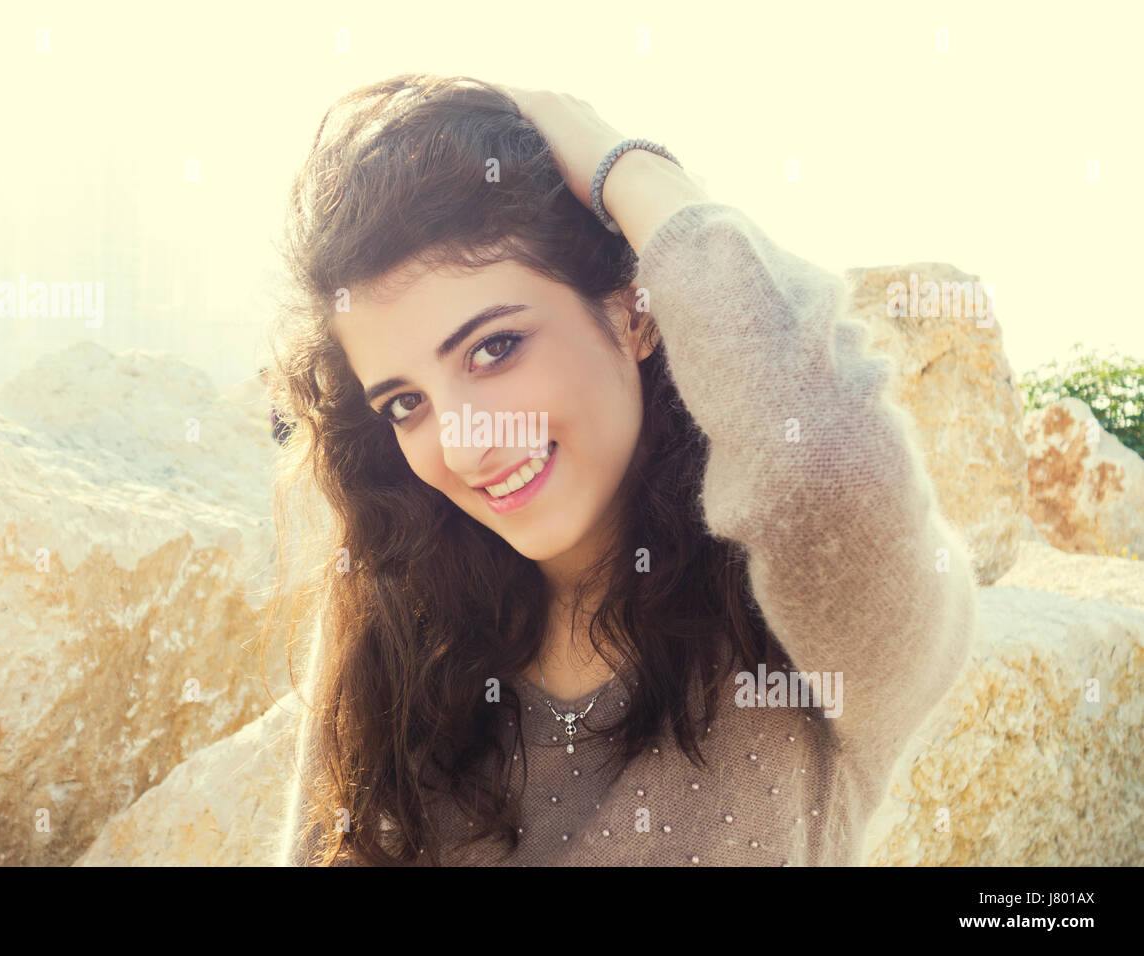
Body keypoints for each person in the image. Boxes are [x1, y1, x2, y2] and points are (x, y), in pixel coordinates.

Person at [265, 74, 978, 866]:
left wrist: (628, 168)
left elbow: (822, 467)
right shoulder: (405, 614)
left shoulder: (803, 625)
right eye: (405, 403)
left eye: (494, 348)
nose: (464, 447)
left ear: (635, 310)